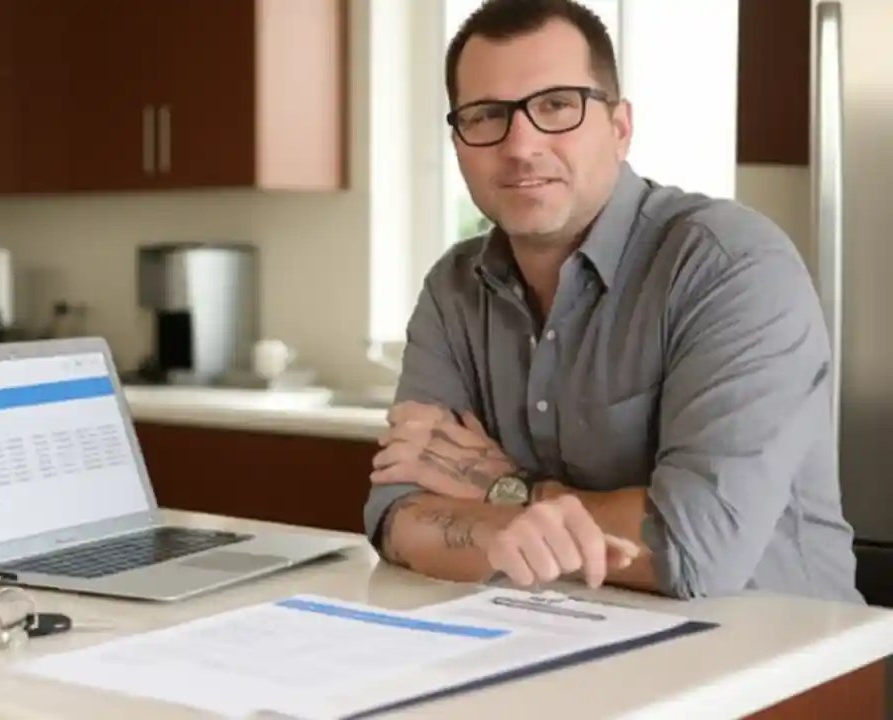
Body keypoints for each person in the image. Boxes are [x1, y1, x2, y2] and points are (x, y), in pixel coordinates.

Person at [364, 0, 863, 603]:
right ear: (459, 140)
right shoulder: (454, 287)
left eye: (556, 106)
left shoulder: (729, 265)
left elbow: (695, 549)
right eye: (487, 114)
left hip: (787, 665)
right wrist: (511, 522)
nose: (521, 145)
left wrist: (507, 491)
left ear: (620, 128)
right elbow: (396, 514)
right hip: (563, 647)